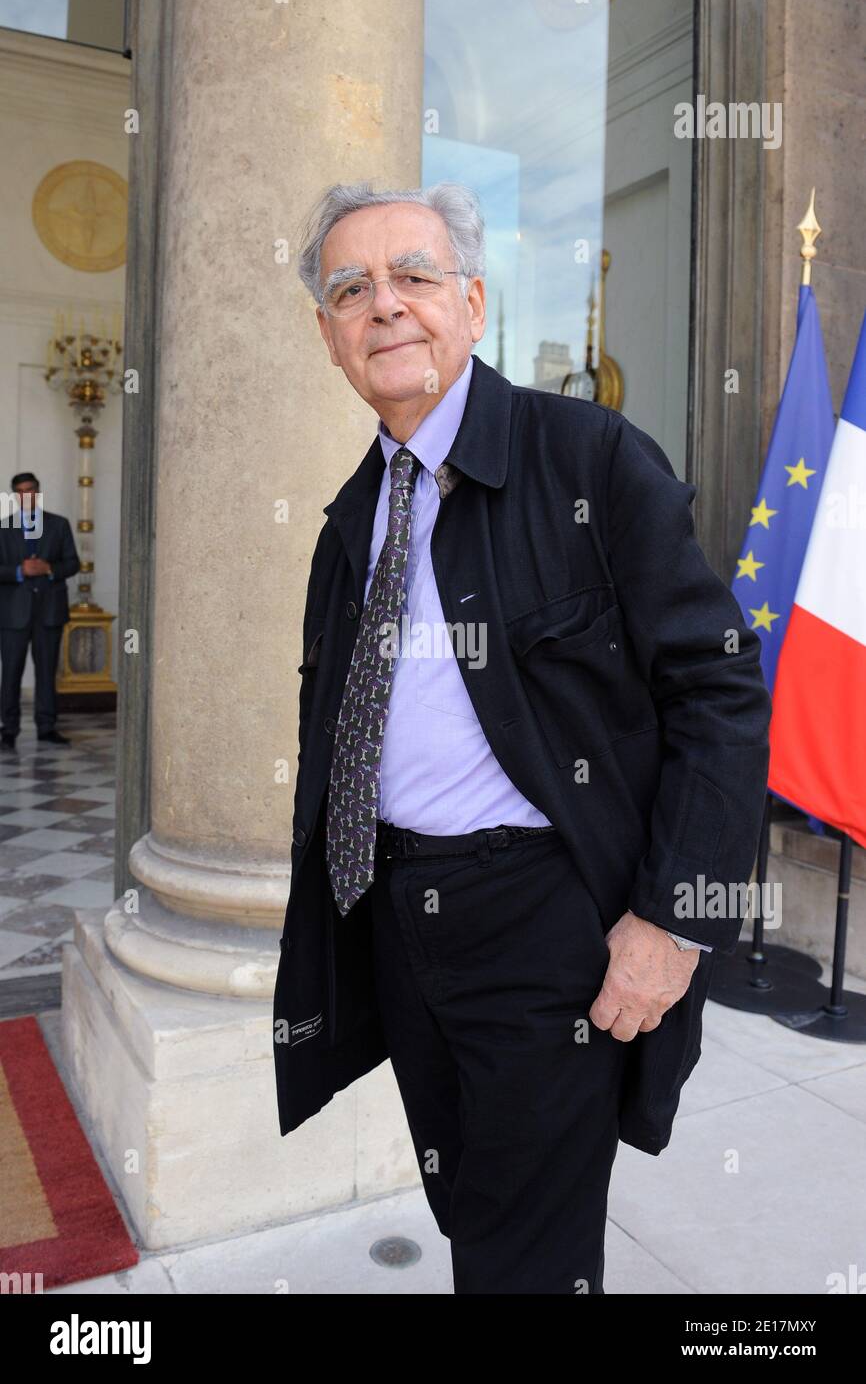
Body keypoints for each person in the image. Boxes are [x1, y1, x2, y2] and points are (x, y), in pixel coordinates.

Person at [272, 182, 772, 1294]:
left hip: (546, 925)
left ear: (473, 302)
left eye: (413, 276)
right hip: (404, 924)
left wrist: (674, 920)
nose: (384, 306)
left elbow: (720, 692)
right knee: (471, 1212)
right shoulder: (352, 522)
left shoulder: (590, 461)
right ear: (329, 339)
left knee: (523, 1257)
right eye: (351, 290)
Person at [0, 472, 80, 748]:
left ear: (38, 491)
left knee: (47, 672)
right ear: (15, 495)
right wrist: (19, 570)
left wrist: (49, 568)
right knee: (11, 672)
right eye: (20, 491)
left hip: (49, 611)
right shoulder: (3, 527)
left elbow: (73, 564)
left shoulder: (59, 525)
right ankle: (8, 729)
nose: (26, 495)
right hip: (13, 614)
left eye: (31, 489)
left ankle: (47, 727)